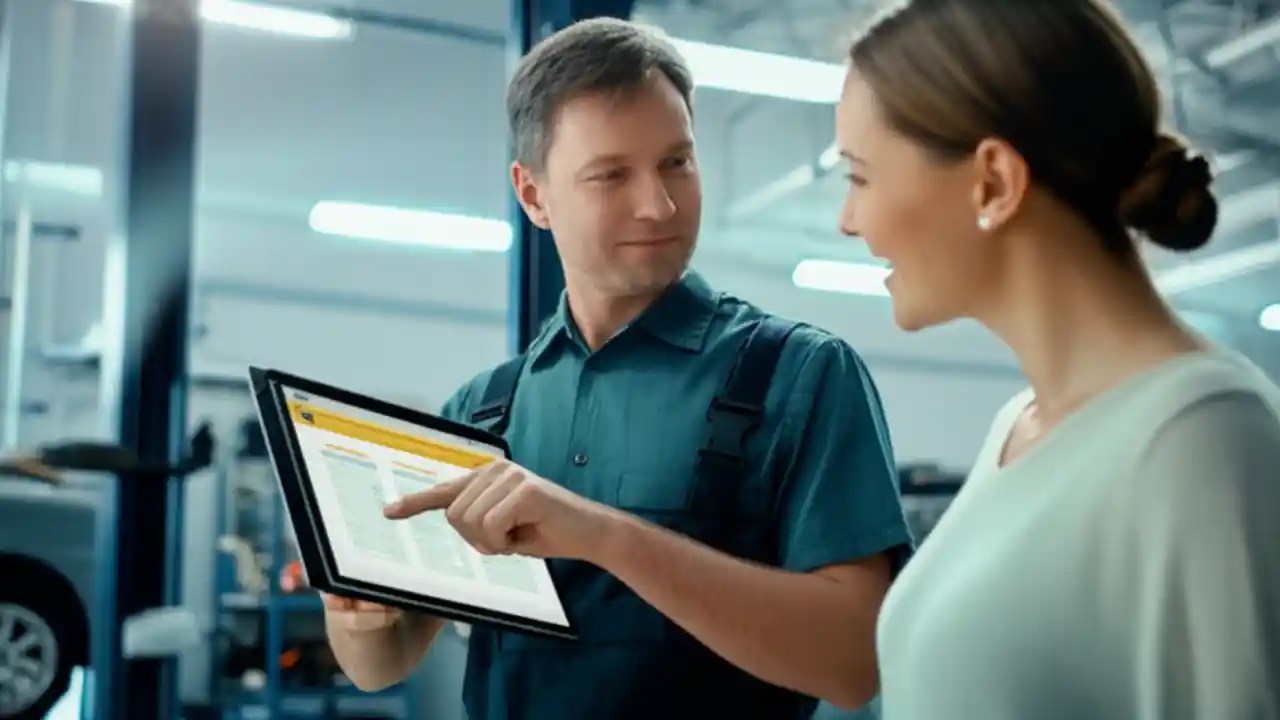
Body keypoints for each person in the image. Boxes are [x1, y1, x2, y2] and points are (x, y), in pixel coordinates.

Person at [322, 17, 914, 720]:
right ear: (533, 195)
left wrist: (603, 535)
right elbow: (382, 664)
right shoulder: (482, 411)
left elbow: (855, 663)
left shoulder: (801, 376)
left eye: (677, 163)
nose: (658, 205)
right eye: (611, 175)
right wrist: (356, 616)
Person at [832, 1, 1280, 718]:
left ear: (993, 182)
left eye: (859, 177)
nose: (847, 221)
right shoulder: (1016, 429)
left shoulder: (1202, 440)